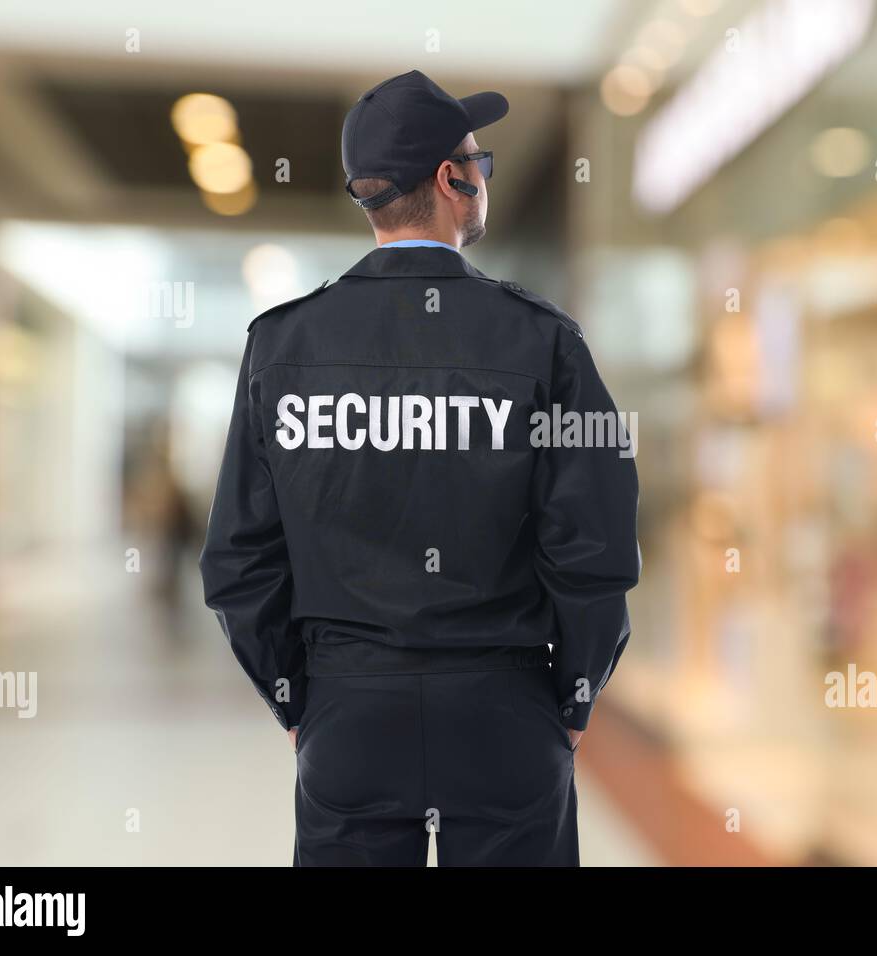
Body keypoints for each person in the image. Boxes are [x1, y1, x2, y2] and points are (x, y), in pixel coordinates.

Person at [199, 69, 640, 866]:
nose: (483, 175)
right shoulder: (542, 342)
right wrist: (575, 692)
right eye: (481, 161)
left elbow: (238, 559)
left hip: (349, 707)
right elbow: (593, 545)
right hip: (504, 708)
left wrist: (297, 695)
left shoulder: (284, 346)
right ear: (451, 179)